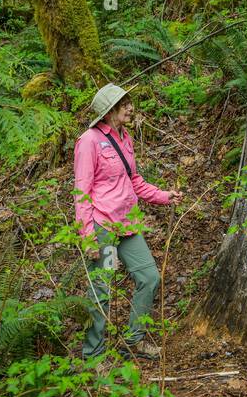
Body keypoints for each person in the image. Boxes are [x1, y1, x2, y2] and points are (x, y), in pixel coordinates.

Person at [74, 83, 182, 360]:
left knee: (148, 277)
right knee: (102, 288)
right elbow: (82, 193)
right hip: (104, 227)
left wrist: (164, 196)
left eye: (129, 102)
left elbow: (134, 181)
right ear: (109, 111)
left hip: (127, 225)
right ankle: (93, 355)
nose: (130, 108)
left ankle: (134, 340)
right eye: (124, 104)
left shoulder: (125, 138)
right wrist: (87, 236)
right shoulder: (89, 141)